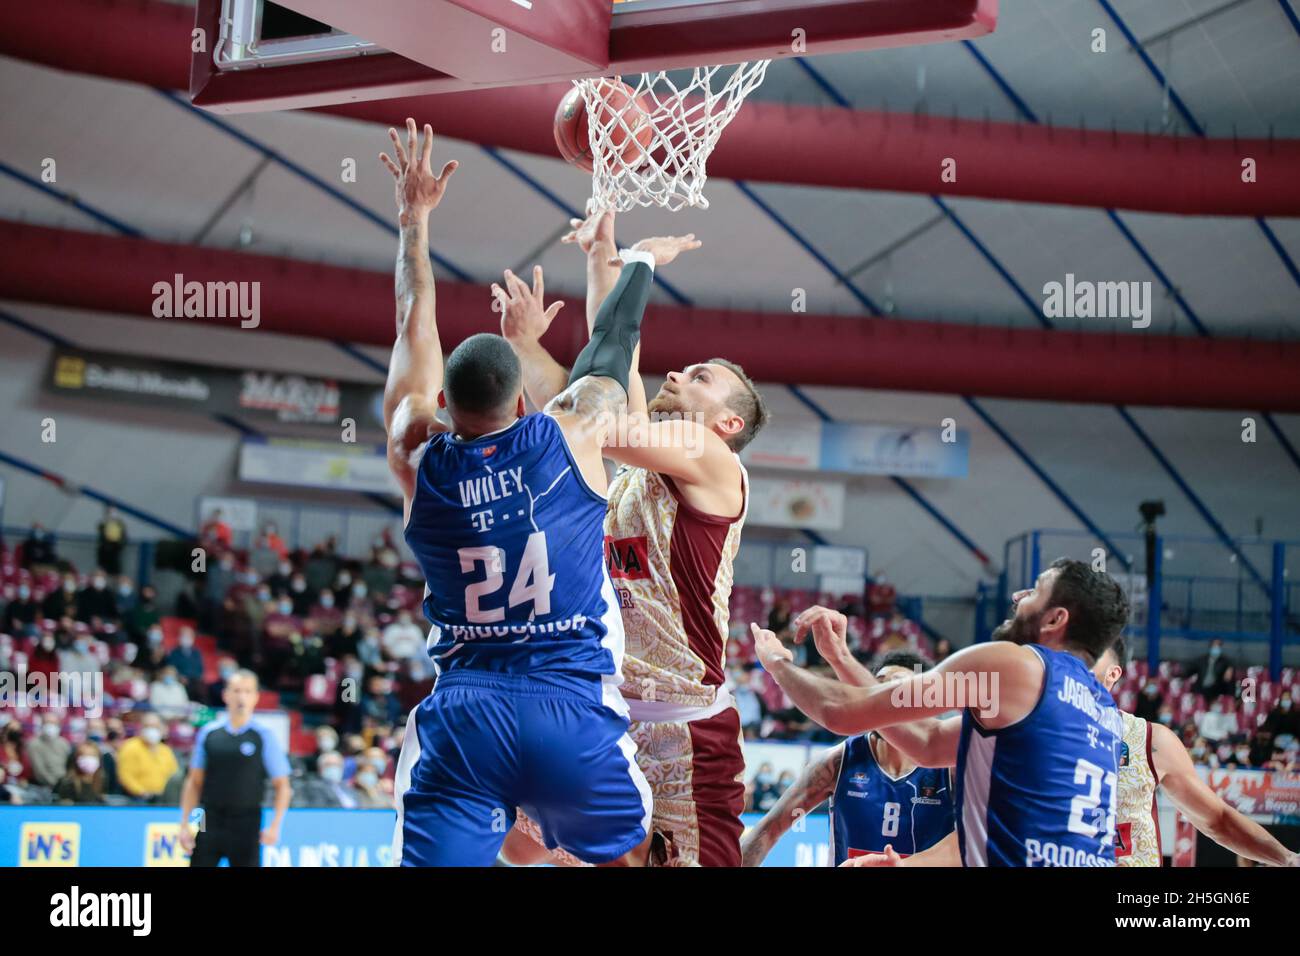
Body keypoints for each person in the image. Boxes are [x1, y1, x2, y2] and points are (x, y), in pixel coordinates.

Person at [379, 119, 697, 867]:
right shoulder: (569, 434)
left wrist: (413, 223)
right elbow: (611, 348)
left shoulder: (414, 452)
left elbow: (410, 324)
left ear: (445, 409)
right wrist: (640, 259)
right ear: (524, 403)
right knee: (631, 857)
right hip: (570, 709)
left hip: (466, 711)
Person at [504, 206, 768, 867]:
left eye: (703, 377)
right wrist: (603, 261)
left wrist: (639, 262)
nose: (681, 373)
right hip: (611, 718)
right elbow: (602, 385)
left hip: (686, 732)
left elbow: (604, 419)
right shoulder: (643, 463)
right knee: (533, 850)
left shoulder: (710, 455)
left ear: (728, 422)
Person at [752, 558, 1129, 867]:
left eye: (1033, 591)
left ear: (1054, 619)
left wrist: (777, 664)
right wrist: (842, 658)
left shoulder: (1015, 666)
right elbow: (926, 742)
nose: (1017, 597)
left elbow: (841, 712)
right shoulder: (1103, 711)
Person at [1093, 635, 1297, 867]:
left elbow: (1218, 820)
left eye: (1091, 654)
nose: (1077, 662)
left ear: (1112, 674)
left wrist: (1288, 859)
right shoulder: (1043, 731)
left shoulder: (1149, 739)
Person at [740, 650, 955, 866]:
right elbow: (768, 831)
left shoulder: (951, 769)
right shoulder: (837, 761)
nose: (885, 699)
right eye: (879, 687)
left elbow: (973, 844)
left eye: (897, 689)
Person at [179, 670, 291, 867]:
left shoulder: (264, 735)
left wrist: (275, 826)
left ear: (256, 697)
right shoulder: (209, 733)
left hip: (247, 822)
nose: (242, 697)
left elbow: (283, 785)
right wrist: (185, 825)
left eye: (248, 691)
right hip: (208, 819)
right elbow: (194, 782)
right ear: (226, 695)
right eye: (237, 690)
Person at [116, 714, 179, 801]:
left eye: (155, 727)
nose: (152, 730)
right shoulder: (130, 747)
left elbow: (173, 774)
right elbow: (125, 776)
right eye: (148, 726)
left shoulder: (166, 750)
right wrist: (142, 792)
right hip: (138, 799)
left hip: (163, 799)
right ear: (141, 728)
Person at [26, 714, 71, 788]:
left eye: (54, 723)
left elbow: (68, 766)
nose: (50, 726)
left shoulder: (64, 743)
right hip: (43, 786)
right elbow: (39, 771)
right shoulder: (34, 744)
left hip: (63, 783)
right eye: (47, 723)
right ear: (42, 725)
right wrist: (57, 785)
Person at [96, 505, 128, 575]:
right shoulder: (103, 524)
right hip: (104, 552)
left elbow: (124, 538)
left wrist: (118, 545)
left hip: (115, 552)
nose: (112, 513)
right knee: (103, 570)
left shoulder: (120, 524)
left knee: (115, 571)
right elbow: (101, 536)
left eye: (113, 511)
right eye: (110, 511)